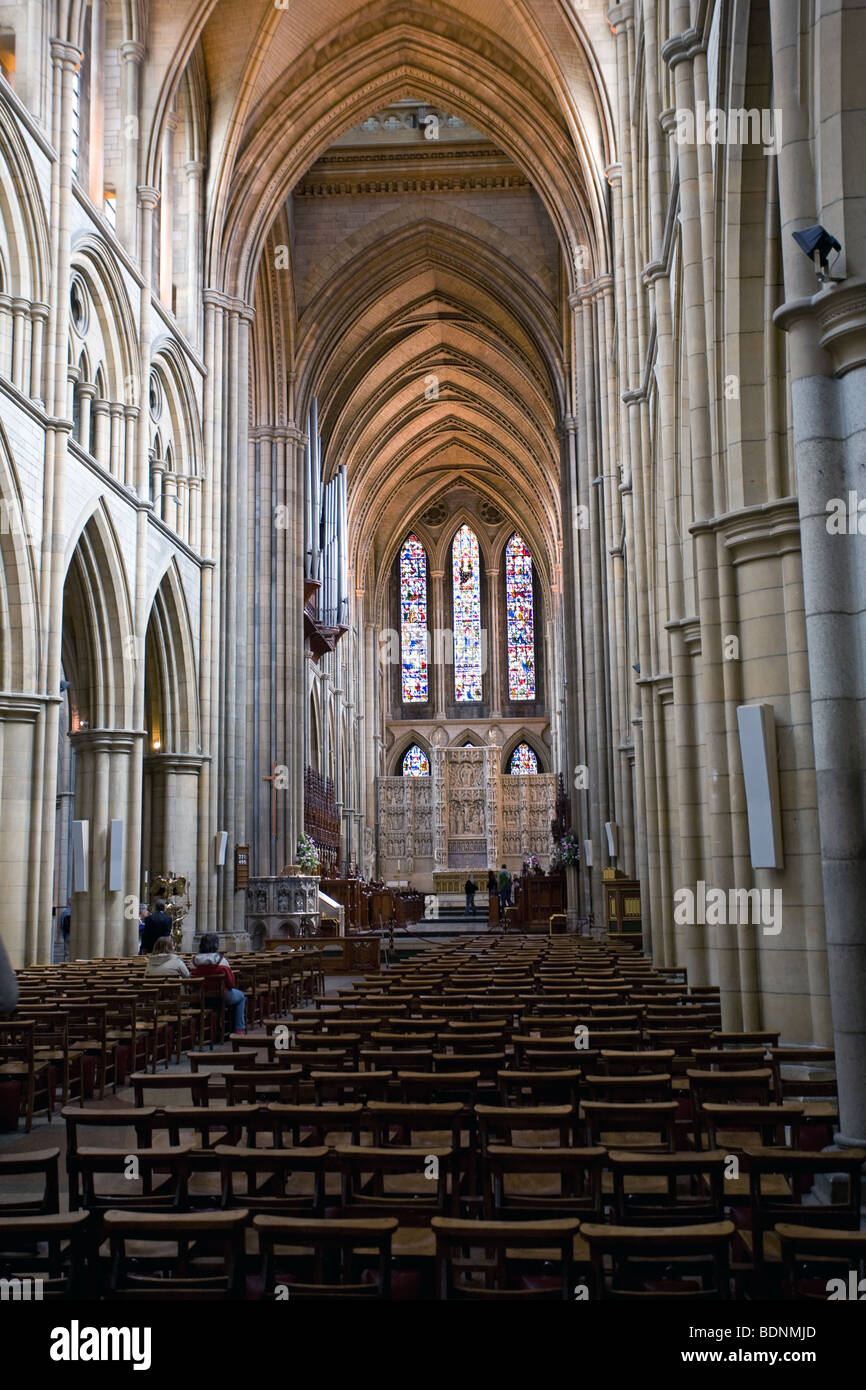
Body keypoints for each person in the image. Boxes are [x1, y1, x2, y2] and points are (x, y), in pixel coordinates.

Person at [191, 933, 245, 1034]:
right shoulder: (221, 961)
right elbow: (231, 982)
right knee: (241, 996)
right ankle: (239, 1029)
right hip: (221, 996)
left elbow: (191, 980)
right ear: (216, 945)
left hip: (199, 996)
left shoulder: (194, 961)